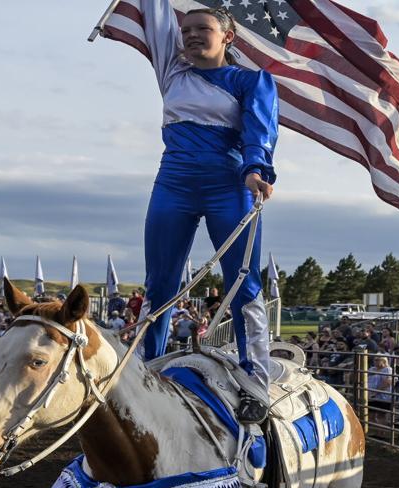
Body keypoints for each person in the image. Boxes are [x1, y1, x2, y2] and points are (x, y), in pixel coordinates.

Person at [128, 1, 278, 424]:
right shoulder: (172, 71)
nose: (190, 34)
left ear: (227, 36)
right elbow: (154, 11)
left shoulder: (250, 81)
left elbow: (259, 131)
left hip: (230, 186)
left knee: (242, 286)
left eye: (202, 28)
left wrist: (255, 170)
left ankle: (255, 386)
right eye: (186, 28)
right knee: (159, 285)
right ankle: (142, 375)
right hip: (172, 184)